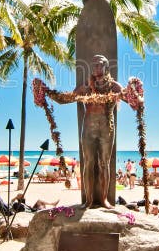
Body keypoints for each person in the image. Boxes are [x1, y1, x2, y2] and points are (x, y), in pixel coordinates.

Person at [46, 54, 124, 209]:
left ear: (106, 66)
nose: (95, 66)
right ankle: (88, 200)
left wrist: (137, 95)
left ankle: (104, 200)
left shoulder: (114, 86)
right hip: (88, 128)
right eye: (93, 63)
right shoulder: (85, 88)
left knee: (104, 164)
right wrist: (47, 92)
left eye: (99, 63)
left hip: (106, 129)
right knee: (88, 163)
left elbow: (129, 98)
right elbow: (65, 99)